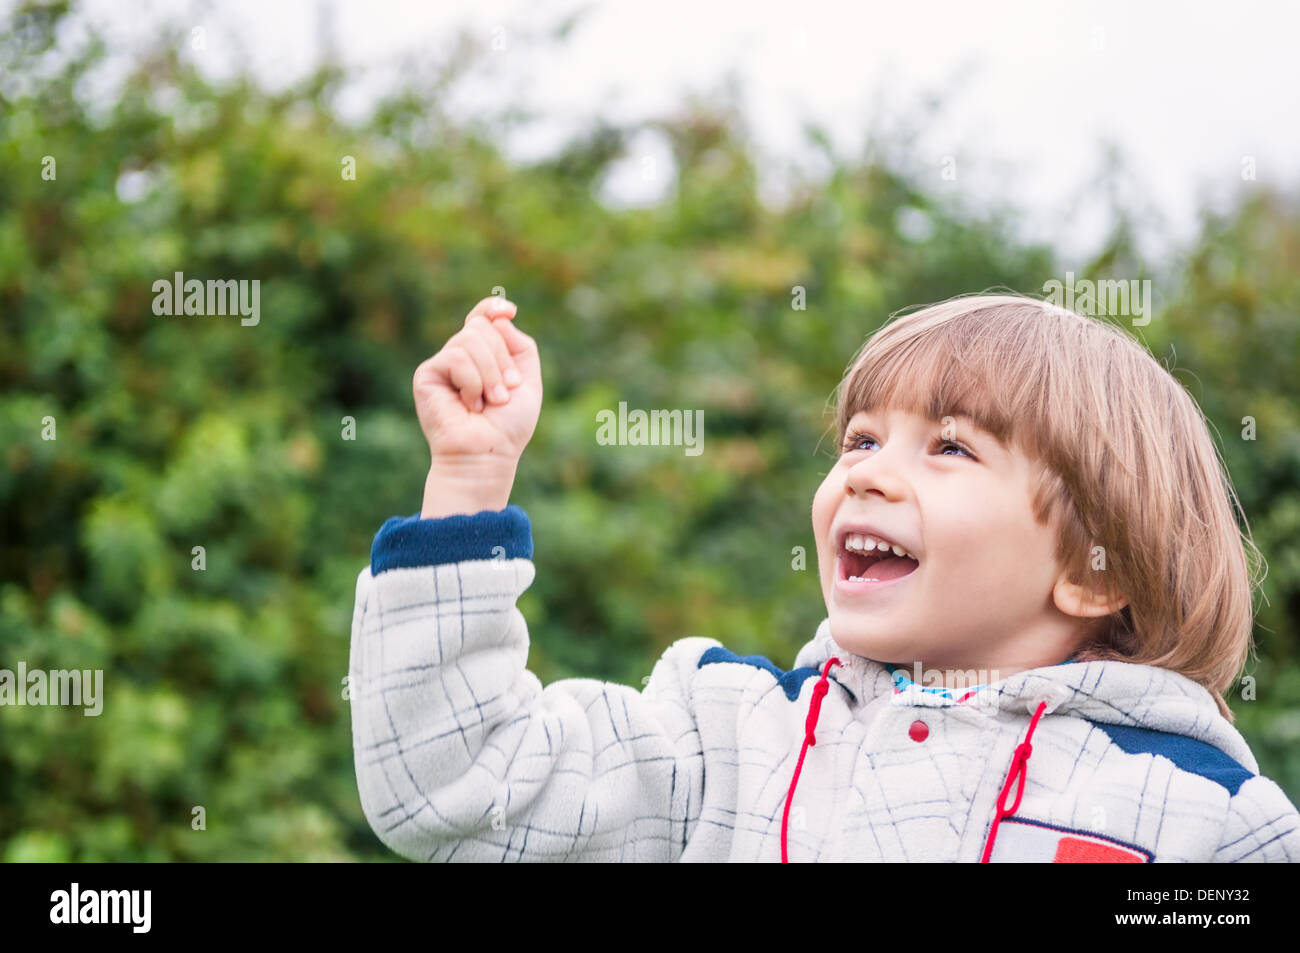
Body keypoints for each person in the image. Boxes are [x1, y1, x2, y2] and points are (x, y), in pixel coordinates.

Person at [348, 292, 1300, 862]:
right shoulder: (722, 739)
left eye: (953, 449)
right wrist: (469, 481)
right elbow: (456, 789)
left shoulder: (1204, 817)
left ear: (1096, 571)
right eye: (862, 437)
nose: (870, 471)